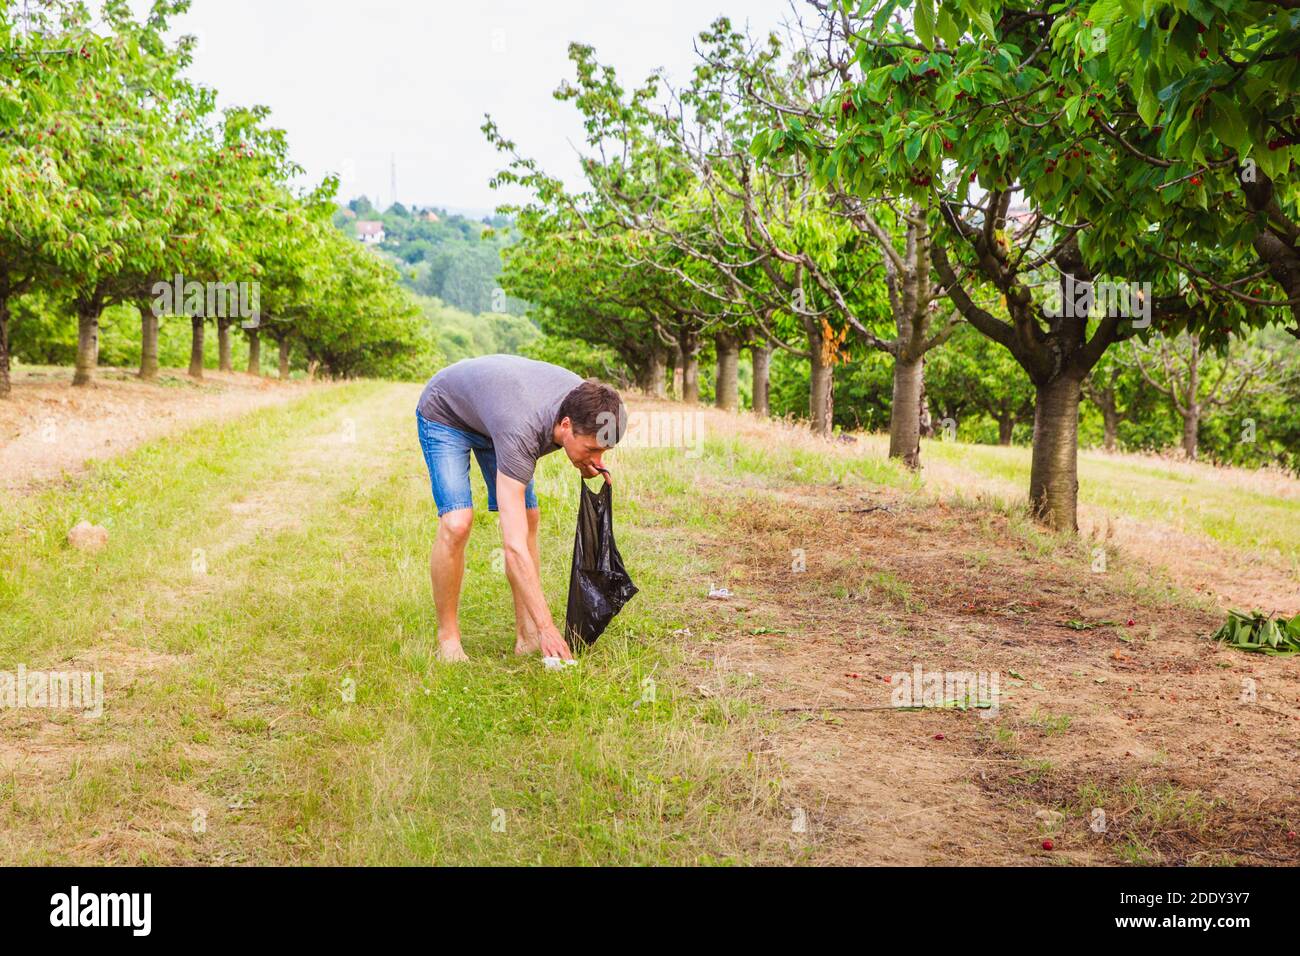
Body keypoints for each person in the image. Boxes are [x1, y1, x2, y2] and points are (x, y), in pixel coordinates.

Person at [415, 354, 626, 662]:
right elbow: (512, 547)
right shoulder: (523, 427)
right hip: (447, 412)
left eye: (602, 451)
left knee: (528, 516)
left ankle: (526, 637)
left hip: (495, 415)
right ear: (565, 425)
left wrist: (586, 461)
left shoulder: (589, 404)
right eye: (592, 449)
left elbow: (583, 442)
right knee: (457, 522)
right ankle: (448, 638)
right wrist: (549, 628)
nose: (597, 457)